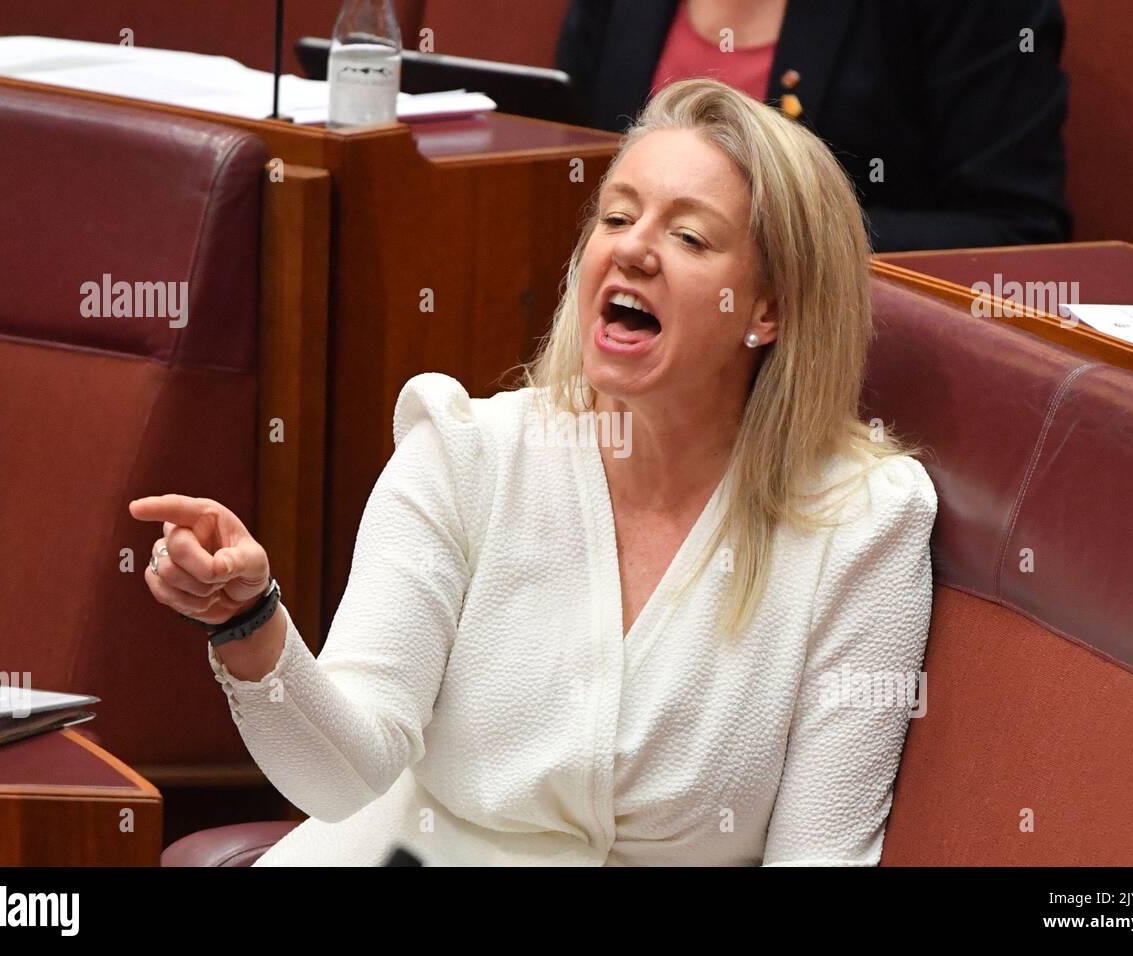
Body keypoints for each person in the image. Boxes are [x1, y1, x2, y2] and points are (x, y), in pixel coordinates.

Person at [130, 78, 937, 866]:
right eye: (616, 216)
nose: (631, 248)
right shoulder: (464, 451)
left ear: (769, 310)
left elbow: (821, 853)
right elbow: (341, 777)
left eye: (689, 237)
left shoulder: (861, 522)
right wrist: (249, 622)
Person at [557, 0, 1072, 252]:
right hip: (616, 360)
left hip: (844, 378)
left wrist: (777, 239)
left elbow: (1015, 230)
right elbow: (572, 175)